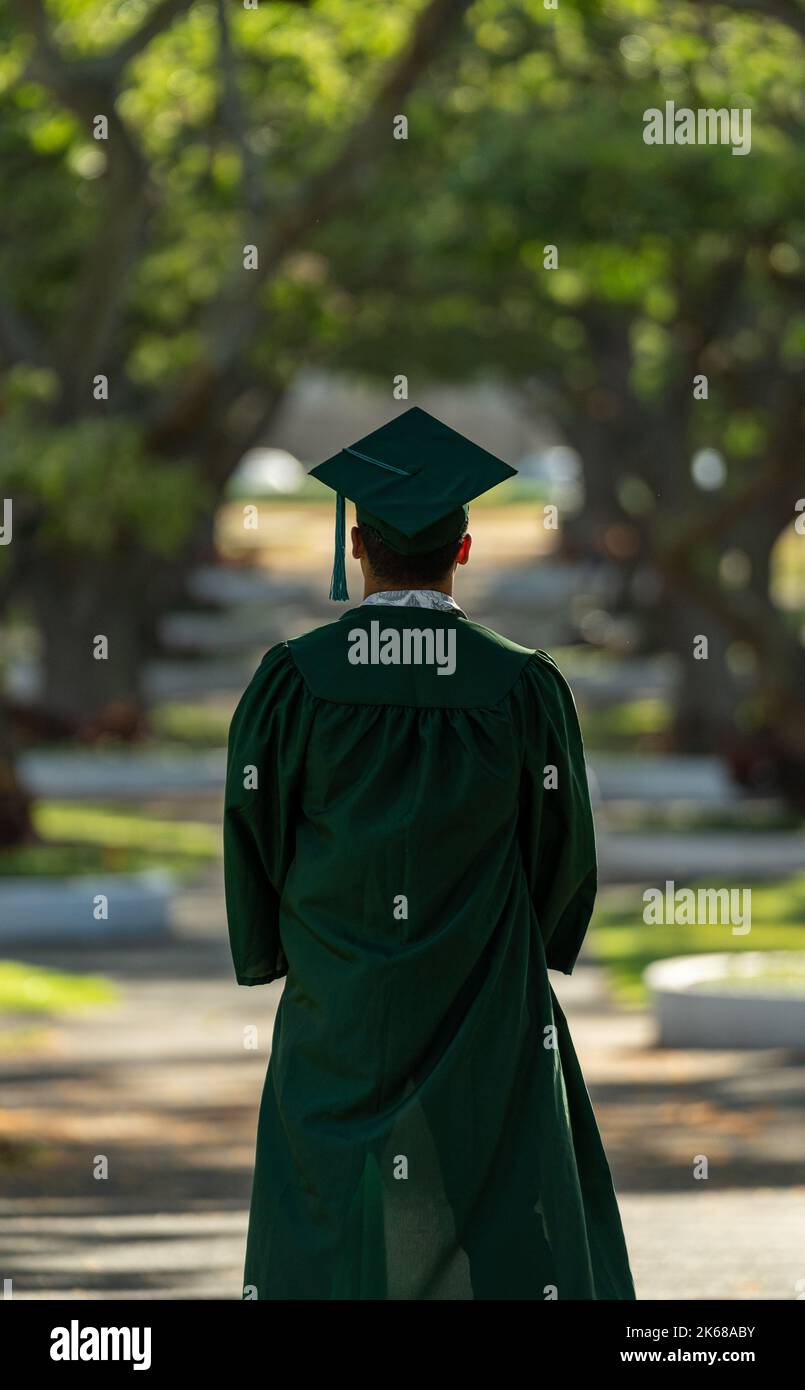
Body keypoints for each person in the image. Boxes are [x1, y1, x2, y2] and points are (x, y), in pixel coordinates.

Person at [224, 405, 636, 1300]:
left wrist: (272, 951)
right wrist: (528, 939)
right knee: (499, 1191)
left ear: (359, 545)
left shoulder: (293, 680)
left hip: (338, 999)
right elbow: (562, 855)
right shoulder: (523, 684)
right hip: (485, 993)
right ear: (463, 549)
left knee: (327, 1196)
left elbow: (252, 834)